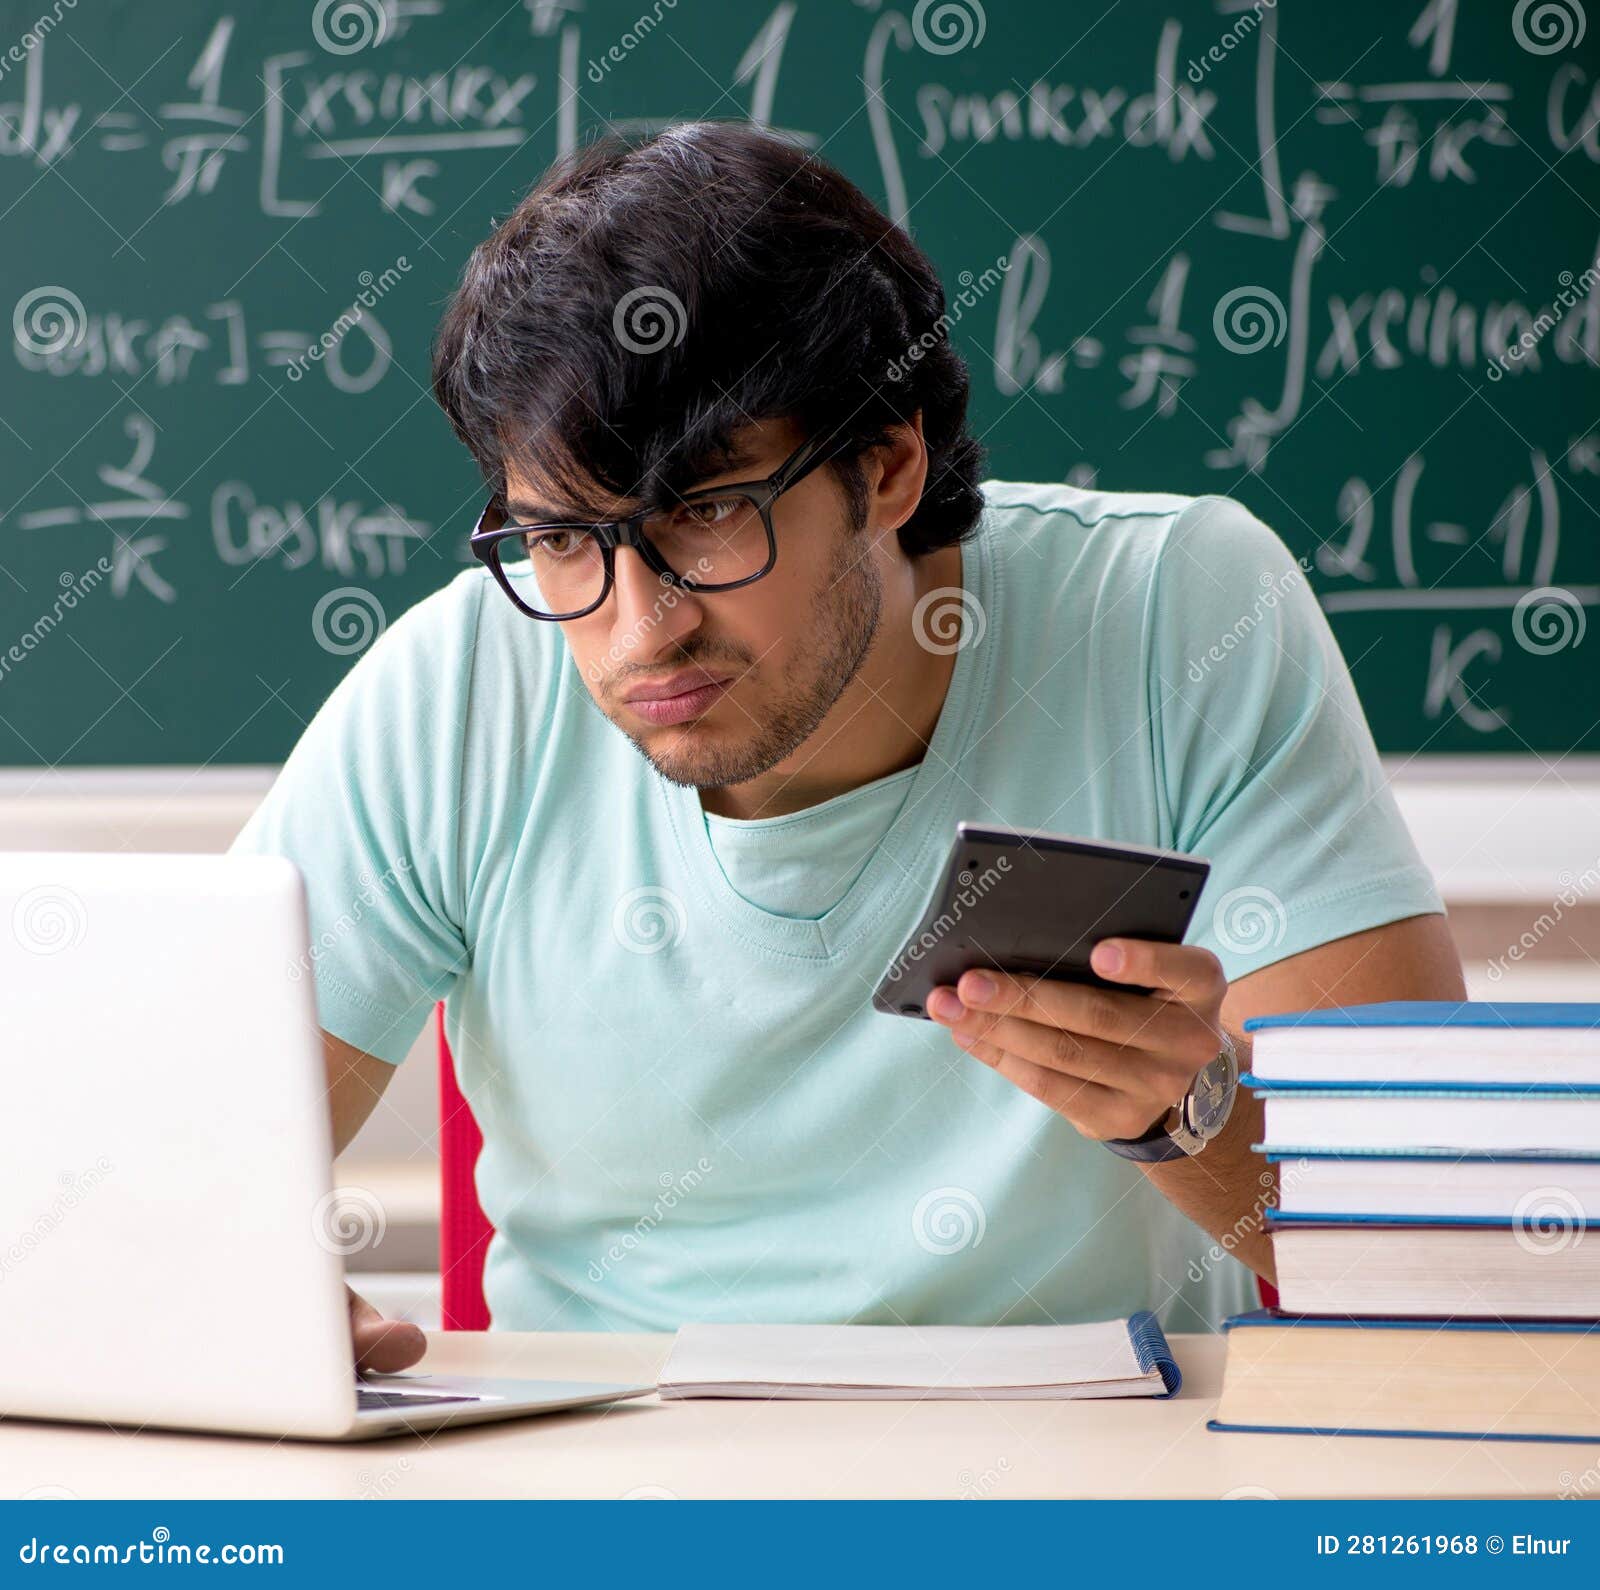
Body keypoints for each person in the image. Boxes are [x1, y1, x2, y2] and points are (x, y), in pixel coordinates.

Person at [232, 121, 1464, 1372]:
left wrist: (1190, 1118)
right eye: (562, 539)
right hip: (602, 1457)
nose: (640, 632)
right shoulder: (455, 693)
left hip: (1085, 1450)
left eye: (708, 514)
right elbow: (168, 1163)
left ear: (884, 468)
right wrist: (231, 1289)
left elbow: (1433, 1243)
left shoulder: (1177, 614)